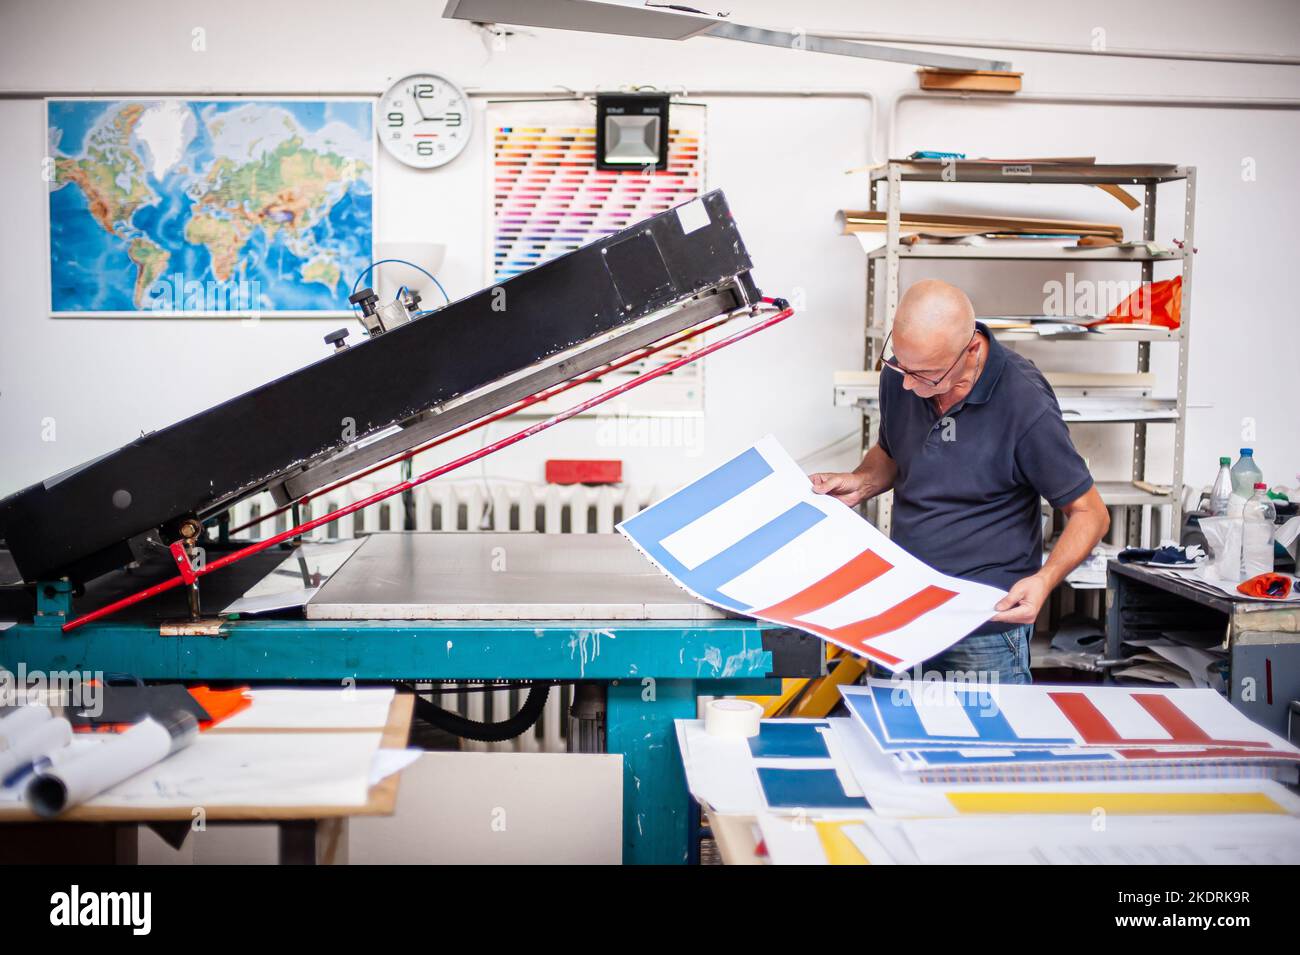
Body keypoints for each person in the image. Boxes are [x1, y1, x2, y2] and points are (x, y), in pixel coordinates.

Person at [811, 279, 1110, 683]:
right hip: (904, 615)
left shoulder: (1024, 403)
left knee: (988, 745)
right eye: (900, 366)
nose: (908, 385)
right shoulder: (905, 372)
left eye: (926, 376)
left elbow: (1090, 512)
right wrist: (861, 482)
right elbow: (894, 451)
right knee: (895, 738)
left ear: (970, 351)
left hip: (982, 628)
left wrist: (1043, 581)